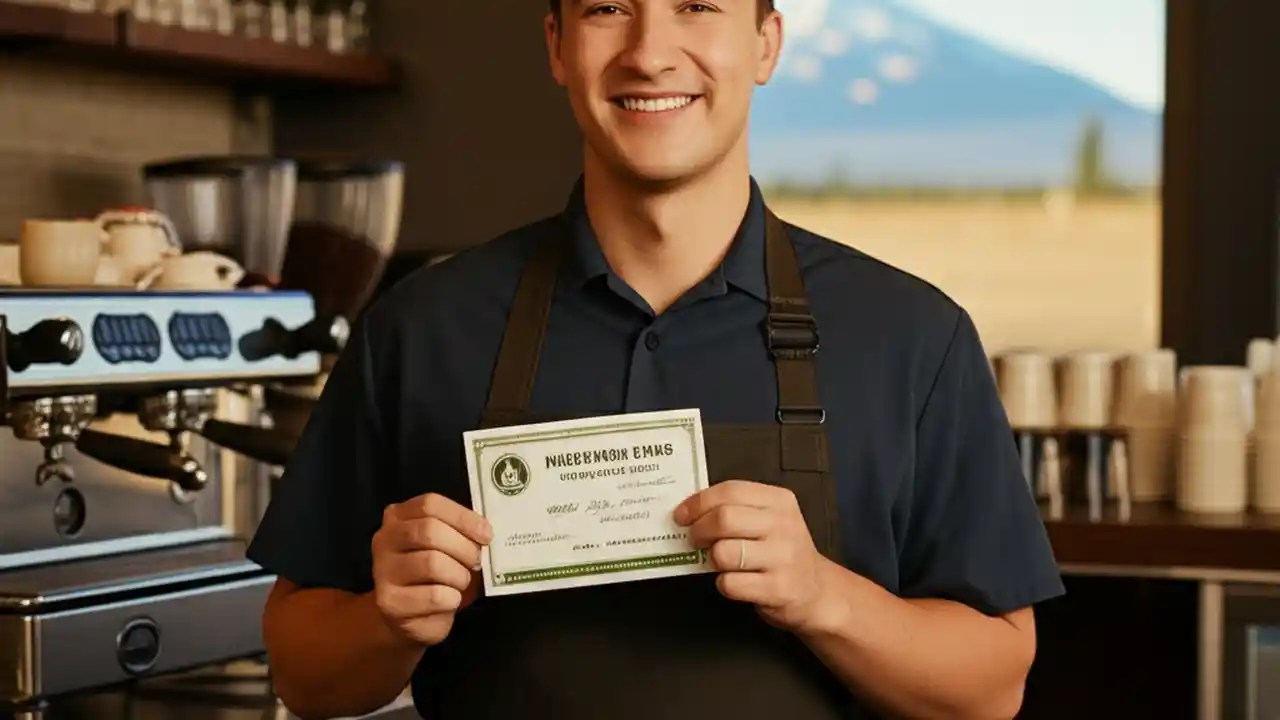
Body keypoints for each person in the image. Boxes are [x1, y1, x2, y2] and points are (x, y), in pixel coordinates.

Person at [247, 0, 1066, 718]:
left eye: (698, 5)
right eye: (607, 7)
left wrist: (825, 597)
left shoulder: (911, 336)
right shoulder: (421, 328)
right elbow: (302, 670)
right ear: (557, 46)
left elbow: (990, 689)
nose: (649, 50)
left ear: (767, 43)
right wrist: (386, 623)